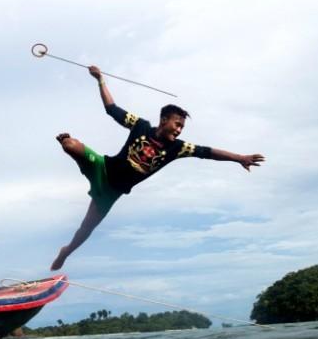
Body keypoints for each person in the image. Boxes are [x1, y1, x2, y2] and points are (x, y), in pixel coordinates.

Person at [50, 65, 265, 270]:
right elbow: (111, 108)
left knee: (87, 228)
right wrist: (100, 79)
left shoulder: (178, 148)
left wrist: (239, 158)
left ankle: (66, 252)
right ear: (163, 120)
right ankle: (71, 149)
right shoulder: (140, 125)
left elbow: (208, 152)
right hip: (102, 167)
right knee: (70, 145)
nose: (179, 130)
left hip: (110, 192)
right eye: (177, 124)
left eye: (182, 126)